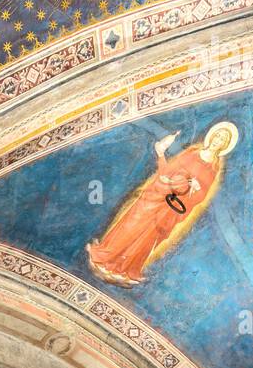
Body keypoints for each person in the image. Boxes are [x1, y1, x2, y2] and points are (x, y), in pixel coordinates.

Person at [87, 122, 237, 287]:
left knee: (149, 237)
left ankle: (125, 268)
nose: (218, 140)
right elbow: (168, 172)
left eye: (223, 139)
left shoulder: (213, 169)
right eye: (217, 136)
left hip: (173, 209)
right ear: (212, 137)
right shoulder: (192, 153)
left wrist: (195, 187)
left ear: (225, 145)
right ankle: (105, 255)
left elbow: (200, 197)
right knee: (132, 224)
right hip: (158, 195)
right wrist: (164, 158)